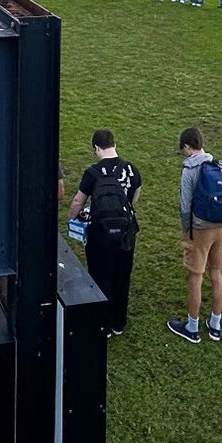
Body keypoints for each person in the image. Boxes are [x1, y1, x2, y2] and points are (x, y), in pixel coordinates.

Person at [67, 129, 141, 335]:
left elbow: (78, 201)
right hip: (126, 233)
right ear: (114, 144)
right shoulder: (132, 169)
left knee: (100, 276)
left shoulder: (93, 173)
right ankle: (119, 322)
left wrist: (72, 220)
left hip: (100, 233)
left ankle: (103, 324)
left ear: (96, 148)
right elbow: (135, 198)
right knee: (122, 275)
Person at [169, 126, 222, 343]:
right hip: (220, 226)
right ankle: (215, 323)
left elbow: (185, 205)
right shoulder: (220, 165)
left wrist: (187, 229)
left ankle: (192, 326)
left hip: (199, 227)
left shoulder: (189, 169)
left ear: (187, 146)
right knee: (216, 274)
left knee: (195, 276)